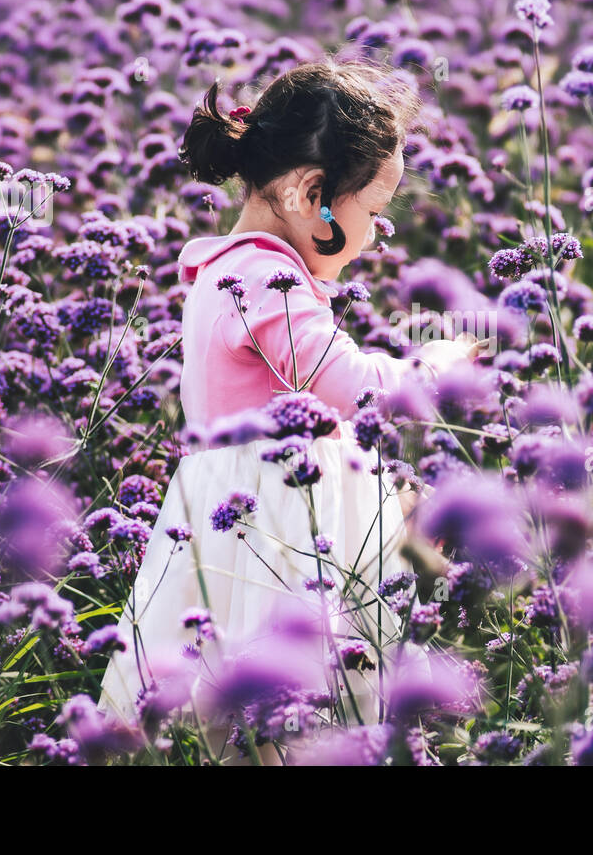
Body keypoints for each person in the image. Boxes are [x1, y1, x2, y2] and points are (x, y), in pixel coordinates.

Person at [97, 59, 482, 762]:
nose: (376, 236)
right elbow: (354, 387)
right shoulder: (262, 279)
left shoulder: (233, 270)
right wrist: (442, 366)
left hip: (250, 526)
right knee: (298, 725)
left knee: (261, 731)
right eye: (374, 212)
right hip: (272, 535)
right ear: (312, 194)